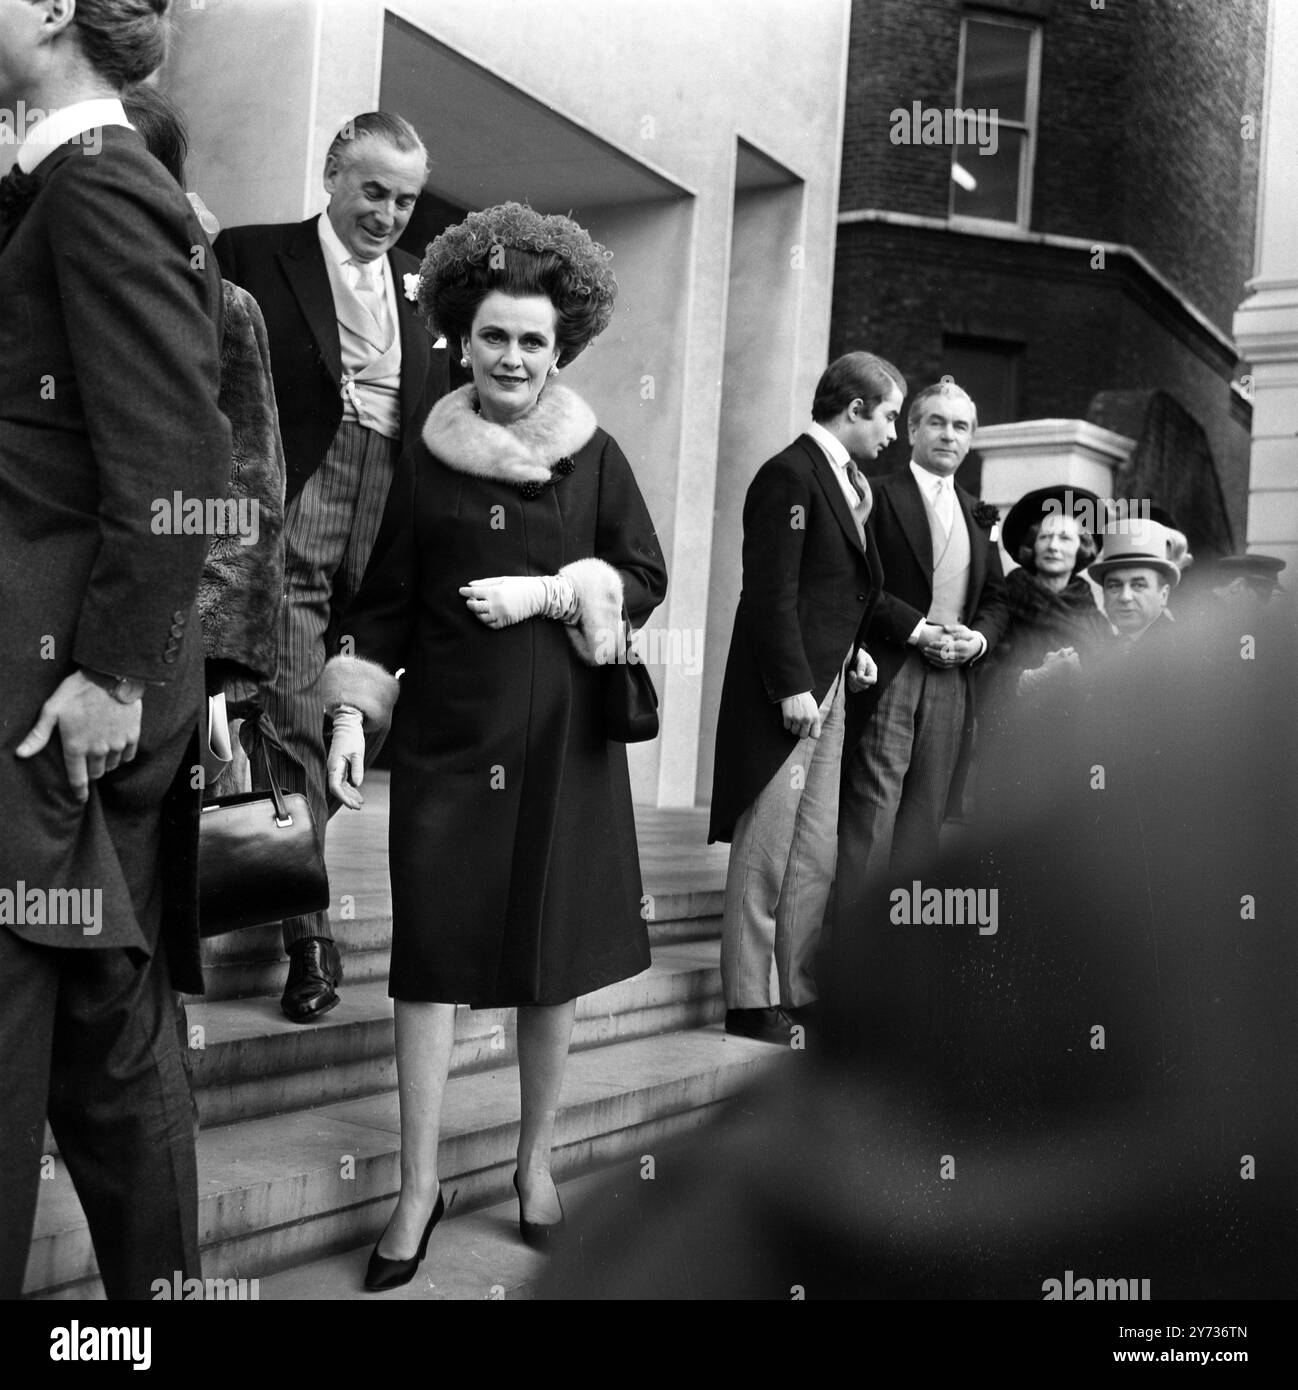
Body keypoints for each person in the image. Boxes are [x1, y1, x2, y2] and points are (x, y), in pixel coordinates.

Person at [318, 201, 668, 1291]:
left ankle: (534, 1165)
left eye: (533, 341)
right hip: (446, 747)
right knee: (428, 966)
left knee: (545, 965)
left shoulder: (596, 454)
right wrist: (346, 710)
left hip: (564, 745)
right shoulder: (417, 460)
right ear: (461, 339)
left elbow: (643, 578)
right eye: (494, 337)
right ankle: (416, 1188)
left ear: (558, 351)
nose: (512, 356)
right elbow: (378, 604)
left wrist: (559, 589)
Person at [0, 0, 231, 1299]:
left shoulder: (98, 187)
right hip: (56, 690)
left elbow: (188, 469)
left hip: (63, 704)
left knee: (83, 1033)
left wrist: (110, 677)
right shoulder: (61, 185)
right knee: (101, 1035)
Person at [213, 111, 449, 1022]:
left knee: (362, 714)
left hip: (393, 508)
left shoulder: (424, 296)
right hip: (298, 492)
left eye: (405, 200)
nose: (388, 214)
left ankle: (276, 868)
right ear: (331, 176)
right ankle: (310, 936)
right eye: (373, 192)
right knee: (299, 710)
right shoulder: (251, 251)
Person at [707, 352, 899, 1044]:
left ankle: (796, 991)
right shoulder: (789, 475)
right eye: (889, 417)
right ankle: (749, 999)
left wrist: (855, 653)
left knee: (812, 850)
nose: (892, 435)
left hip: (831, 688)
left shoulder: (850, 483)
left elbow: (832, 592)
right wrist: (791, 683)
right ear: (854, 409)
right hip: (785, 694)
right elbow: (769, 592)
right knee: (766, 848)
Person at [836, 379, 1009, 909]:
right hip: (892, 669)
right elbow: (857, 578)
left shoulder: (981, 515)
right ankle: (851, 969)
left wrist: (976, 640)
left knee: (925, 822)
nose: (948, 435)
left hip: (953, 681)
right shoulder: (876, 495)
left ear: (971, 438)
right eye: (935, 422)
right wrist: (917, 630)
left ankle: (900, 965)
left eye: (960, 427)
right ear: (911, 429)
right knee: (872, 815)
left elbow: (998, 600)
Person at [986, 485, 1109, 701]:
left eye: (1065, 538)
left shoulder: (1092, 615)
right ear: (1032, 547)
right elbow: (978, 673)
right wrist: (1030, 679)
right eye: (1044, 537)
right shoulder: (1000, 604)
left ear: (1082, 548)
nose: (1053, 546)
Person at [1090, 520, 1181, 649]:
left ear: (1163, 595)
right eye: (1114, 586)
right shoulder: (1104, 650)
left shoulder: (1180, 650)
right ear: (1104, 593)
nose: (1124, 597)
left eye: (1138, 585)